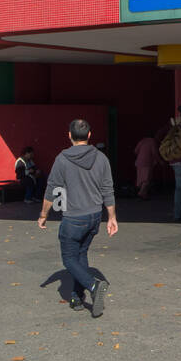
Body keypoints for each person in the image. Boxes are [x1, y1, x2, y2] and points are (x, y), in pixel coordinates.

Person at [38, 119, 118, 316]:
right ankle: (76, 297)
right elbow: (107, 189)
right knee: (81, 254)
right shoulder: (101, 158)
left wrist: (43, 214)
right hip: (93, 216)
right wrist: (112, 217)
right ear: (90, 135)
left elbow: (52, 189)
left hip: (73, 217)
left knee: (69, 258)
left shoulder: (62, 159)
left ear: (69, 135)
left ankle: (93, 286)